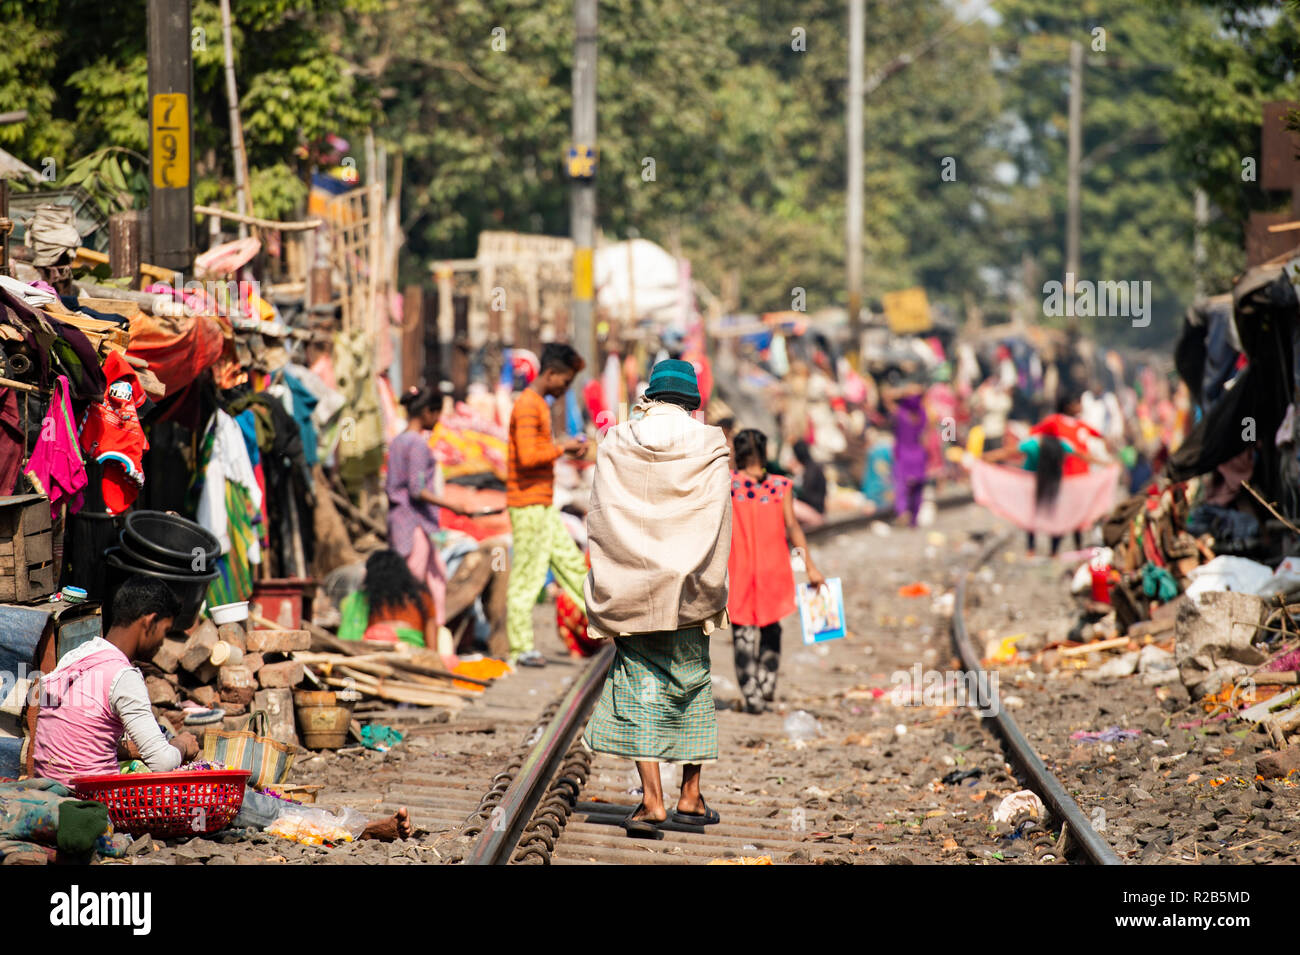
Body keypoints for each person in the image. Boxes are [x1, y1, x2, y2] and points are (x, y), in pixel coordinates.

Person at [582, 359, 733, 835]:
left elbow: (602, 512)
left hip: (633, 587)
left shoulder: (618, 440)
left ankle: (652, 801)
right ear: (692, 401)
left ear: (650, 396)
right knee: (692, 687)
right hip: (689, 591)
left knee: (640, 690)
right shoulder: (709, 443)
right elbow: (718, 516)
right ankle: (690, 795)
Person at [32, 576, 199, 783]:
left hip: (48, 785)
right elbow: (162, 762)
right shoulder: (122, 675)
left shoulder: (78, 656)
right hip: (91, 801)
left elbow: (82, 741)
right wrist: (182, 744)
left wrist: (132, 750)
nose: (162, 643)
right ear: (149, 623)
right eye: (164, 632)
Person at [727, 428, 825, 714]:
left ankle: (752, 695)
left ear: (739, 453)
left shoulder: (728, 484)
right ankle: (767, 683)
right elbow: (793, 528)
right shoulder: (781, 486)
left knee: (743, 633)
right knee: (771, 628)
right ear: (765, 453)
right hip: (774, 570)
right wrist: (810, 566)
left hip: (740, 570)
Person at [505, 342, 590, 667]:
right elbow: (528, 457)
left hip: (540, 502)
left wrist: (559, 448)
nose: (566, 388)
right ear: (551, 373)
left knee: (571, 565)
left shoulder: (537, 404)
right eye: (566, 381)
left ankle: (606, 627)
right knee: (527, 576)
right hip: (528, 504)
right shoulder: (529, 405)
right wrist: (562, 448)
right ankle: (520, 647)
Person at [386, 385, 481, 626]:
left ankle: (433, 632)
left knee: (435, 576)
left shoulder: (398, 441)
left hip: (401, 520)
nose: (439, 420)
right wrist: (452, 505)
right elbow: (418, 490)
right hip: (413, 523)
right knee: (415, 581)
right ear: (427, 412)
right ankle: (411, 632)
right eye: (437, 414)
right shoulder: (417, 444)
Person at [338, 549, 440, 648]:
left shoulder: (364, 599)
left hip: (372, 653)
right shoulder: (421, 597)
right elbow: (432, 646)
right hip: (413, 653)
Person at [883, 383, 927, 526]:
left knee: (902, 486)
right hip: (918, 455)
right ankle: (913, 518)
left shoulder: (901, 413)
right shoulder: (923, 414)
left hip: (903, 455)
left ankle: (903, 512)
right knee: (917, 490)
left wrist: (902, 391)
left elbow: (886, 396)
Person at [791, 439, 827, 516]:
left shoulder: (812, 469)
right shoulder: (811, 467)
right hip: (814, 506)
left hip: (815, 509)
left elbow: (806, 493)